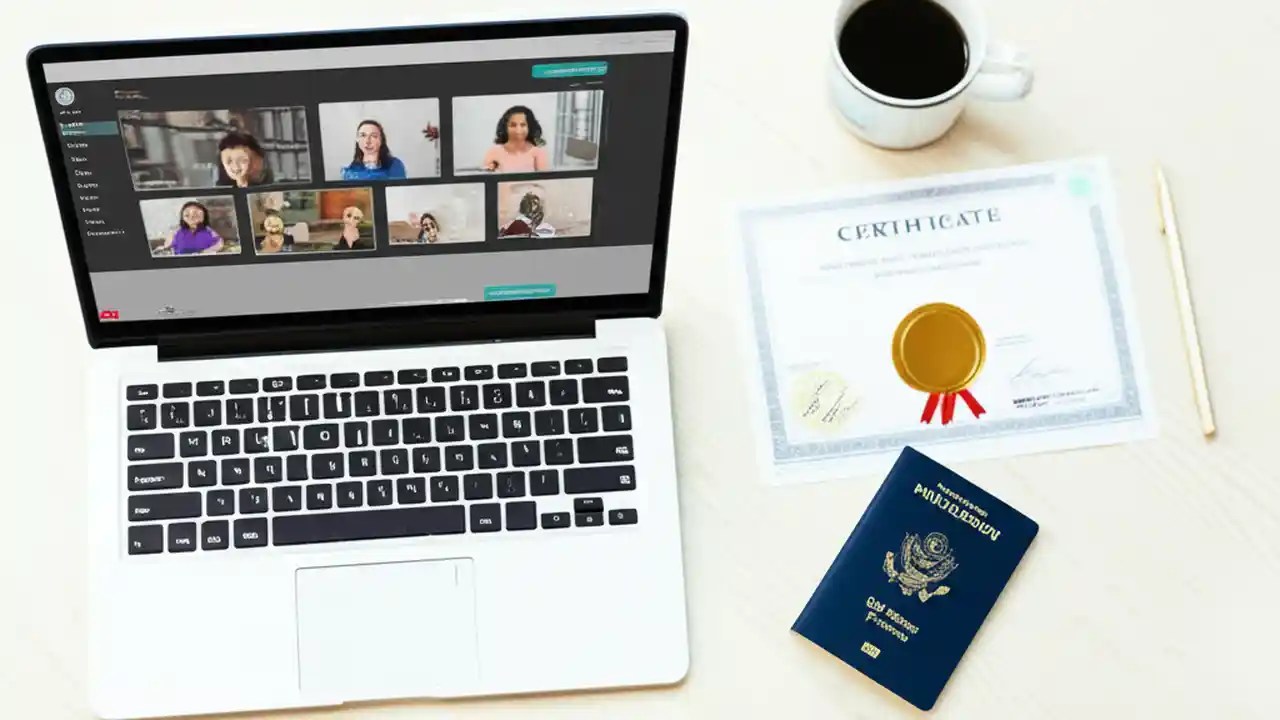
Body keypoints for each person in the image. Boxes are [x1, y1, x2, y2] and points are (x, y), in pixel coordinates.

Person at [482, 105, 549, 173]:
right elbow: (486, 179)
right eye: (513, 125)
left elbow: (544, 181)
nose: (518, 130)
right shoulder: (494, 152)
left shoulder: (538, 152)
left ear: (530, 127)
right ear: (505, 127)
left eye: (523, 125)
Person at [341, 120, 407, 180]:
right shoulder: (351, 171)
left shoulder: (394, 165)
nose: (367, 141)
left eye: (374, 136)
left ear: (381, 140)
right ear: (357, 139)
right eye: (363, 135)